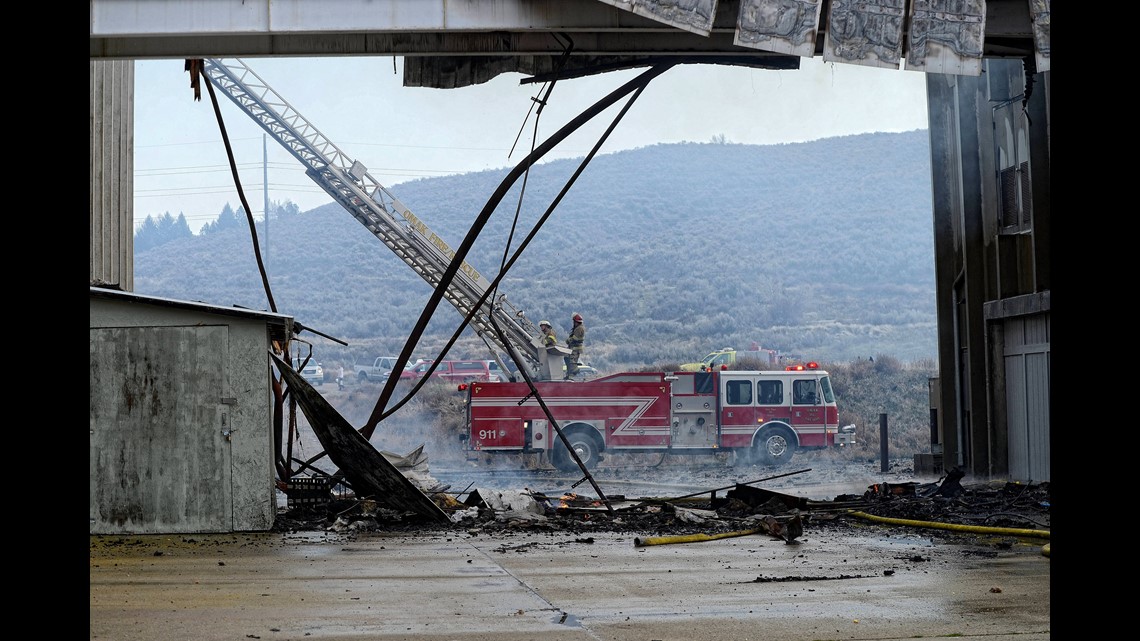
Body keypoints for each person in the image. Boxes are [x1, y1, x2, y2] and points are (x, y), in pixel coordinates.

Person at [564, 312, 585, 379]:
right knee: (567, 358)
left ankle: (574, 371)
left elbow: (575, 338)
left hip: (575, 349)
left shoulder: (579, 328)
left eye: (574, 321)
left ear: (576, 321)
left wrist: (568, 340)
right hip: (572, 348)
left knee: (572, 362)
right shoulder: (578, 328)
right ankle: (569, 375)